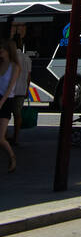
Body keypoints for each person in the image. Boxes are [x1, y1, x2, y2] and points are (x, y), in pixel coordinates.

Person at [0, 41, 20, 172]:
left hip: (7, 101)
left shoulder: (15, 66)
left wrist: (1, 102)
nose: (0, 51)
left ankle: (12, 157)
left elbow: (10, 86)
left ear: (8, 50)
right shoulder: (0, 64)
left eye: (2, 49)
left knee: (0, 137)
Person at [8, 38, 31, 147]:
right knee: (17, 114)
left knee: (5, 114)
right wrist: (27, 89)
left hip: (9, 90)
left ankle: (4, 135)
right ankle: (16, 137)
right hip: (21, 90)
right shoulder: (27, 58)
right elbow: (28, 76)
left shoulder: (10, 57)